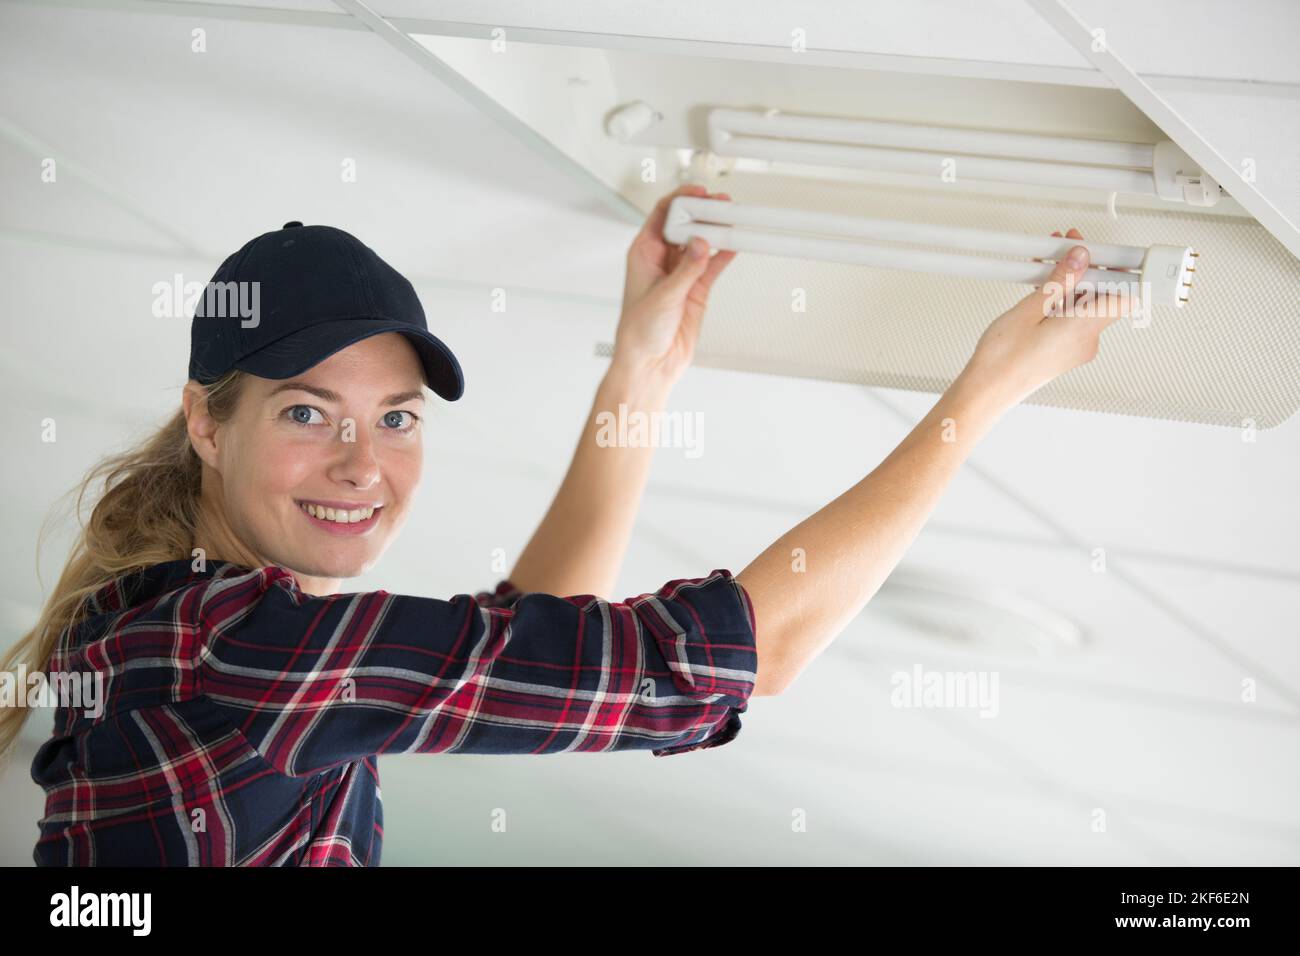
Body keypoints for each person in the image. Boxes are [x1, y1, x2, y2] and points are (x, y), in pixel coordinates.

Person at [0, 184, 1126, 866]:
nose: (362, 464)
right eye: (308, 413)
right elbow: (729, 654)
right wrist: (982, 396)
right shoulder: (246, 649)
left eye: (395, 417)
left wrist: (639, 368)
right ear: (206, 419)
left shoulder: (170, 626)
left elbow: (531, 633)